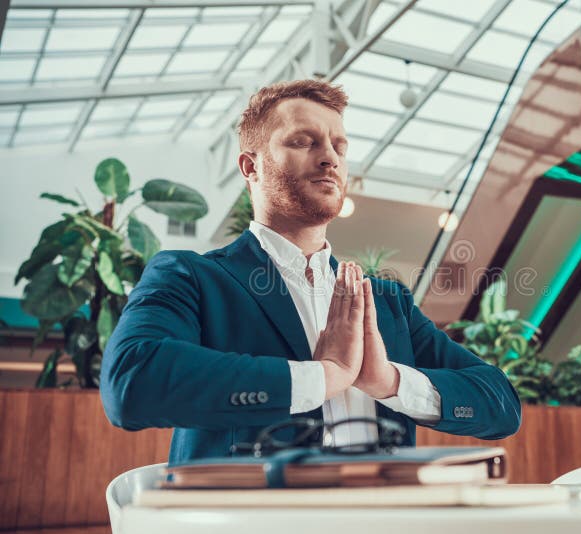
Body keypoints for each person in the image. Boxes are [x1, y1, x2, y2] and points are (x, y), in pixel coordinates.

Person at [100, 79, 521, 463]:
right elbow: (131, 383)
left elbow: (500, 405)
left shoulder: (386, 303)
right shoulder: (190, 277)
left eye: (340, 146)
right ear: (251, 167)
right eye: (304, 141)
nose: (330, 159)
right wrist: (322, 377)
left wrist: (390, 380)